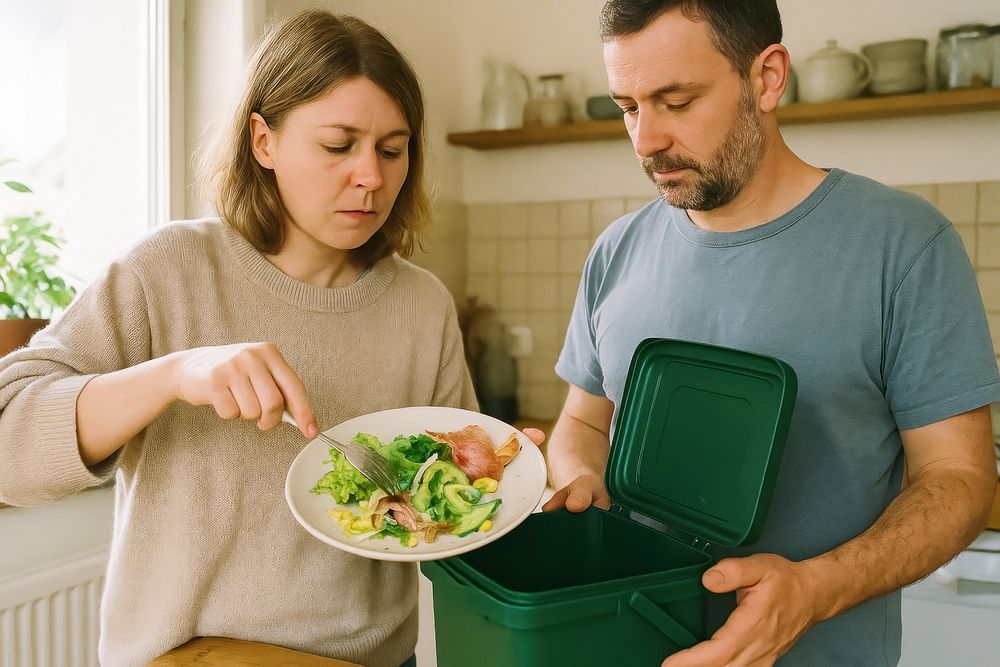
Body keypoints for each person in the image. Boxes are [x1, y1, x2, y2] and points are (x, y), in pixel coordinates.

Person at [0, 10, 526, 667]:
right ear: (263, 140)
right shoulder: (166, 270)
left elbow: (440, 506)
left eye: (393, 149)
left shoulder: (423, 305)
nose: (371, 175)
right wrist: (174, 374)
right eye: (339, 145)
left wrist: (502, 480)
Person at [542, 1, 1000, 665]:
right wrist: (578, 479)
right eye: (628, 106)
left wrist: (815, 589)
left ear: (767, 78)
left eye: (676, 100)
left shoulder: (903, 244)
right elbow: (581, 424)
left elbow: (960, 476)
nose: (644, 140)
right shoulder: (617, 250)